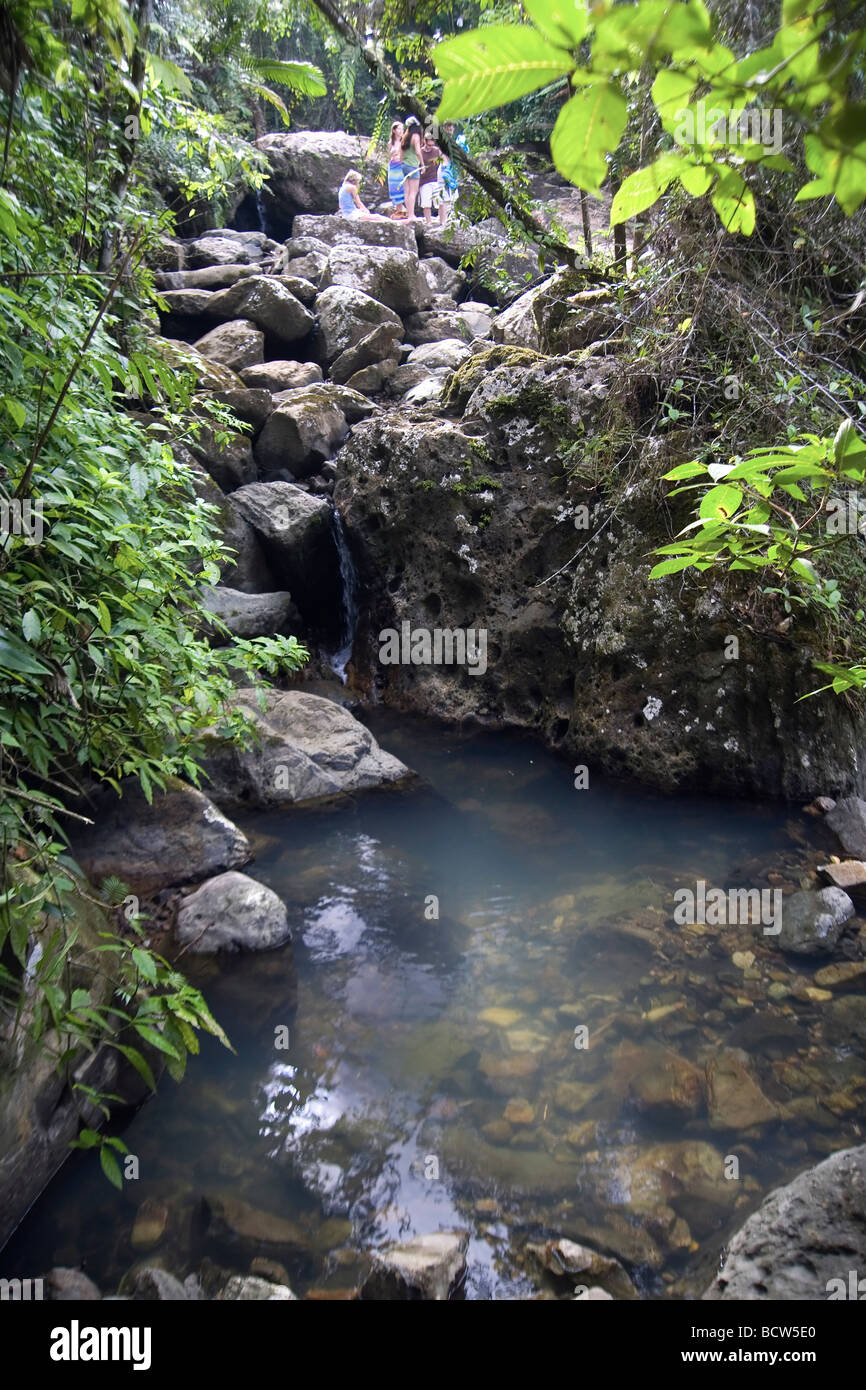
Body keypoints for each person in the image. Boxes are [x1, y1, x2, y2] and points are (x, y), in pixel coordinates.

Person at [401, 116, 423, 220]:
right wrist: (422, 164)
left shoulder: (405, 136)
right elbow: (418, 152)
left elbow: (401, 153)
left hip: (404, 165)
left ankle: (408, 213)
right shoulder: (416, 136)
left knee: (407, 191)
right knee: (413, 191)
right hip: (413, 166)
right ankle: (411, 215)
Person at [418, 130, 442, 224]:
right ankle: (428, 222)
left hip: (436, 180)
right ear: (425, 142)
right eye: (429, 145)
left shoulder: (437, 151)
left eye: (432, 145)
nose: (430, 147)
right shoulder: (420, 152)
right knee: (426, 204)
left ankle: (441, 221)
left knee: (440, 202)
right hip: (424, 181)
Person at [386, 121, 406, 216]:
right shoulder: (391, 143)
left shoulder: (404, 141)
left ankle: (405, 209)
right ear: (394, 130)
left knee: (404, 187)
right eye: (399, 129)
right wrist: (393, 153)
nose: (401, 131)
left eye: (402, 129)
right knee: (395, 187)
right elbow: (388, 156)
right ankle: (399, 210)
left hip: (401, 166)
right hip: (393, 166)